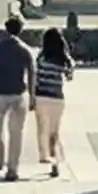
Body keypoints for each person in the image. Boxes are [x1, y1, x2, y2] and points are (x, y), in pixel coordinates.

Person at [0, 18, 35, 181]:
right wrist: (32, 96)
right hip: (18, 93)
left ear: (5, 29)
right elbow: (32, 74)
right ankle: (12, 169)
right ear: (21, 30)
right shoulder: (26, 50)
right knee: (16, 133)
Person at [34, 28, 74, 178]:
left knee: (42, 130)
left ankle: (45, 156)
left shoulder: (41, 58)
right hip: (57, 98)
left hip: (41, 97)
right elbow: (70, 76)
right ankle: (55, 161)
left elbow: (35, 77)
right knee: (54, 132)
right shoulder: (64, 59)